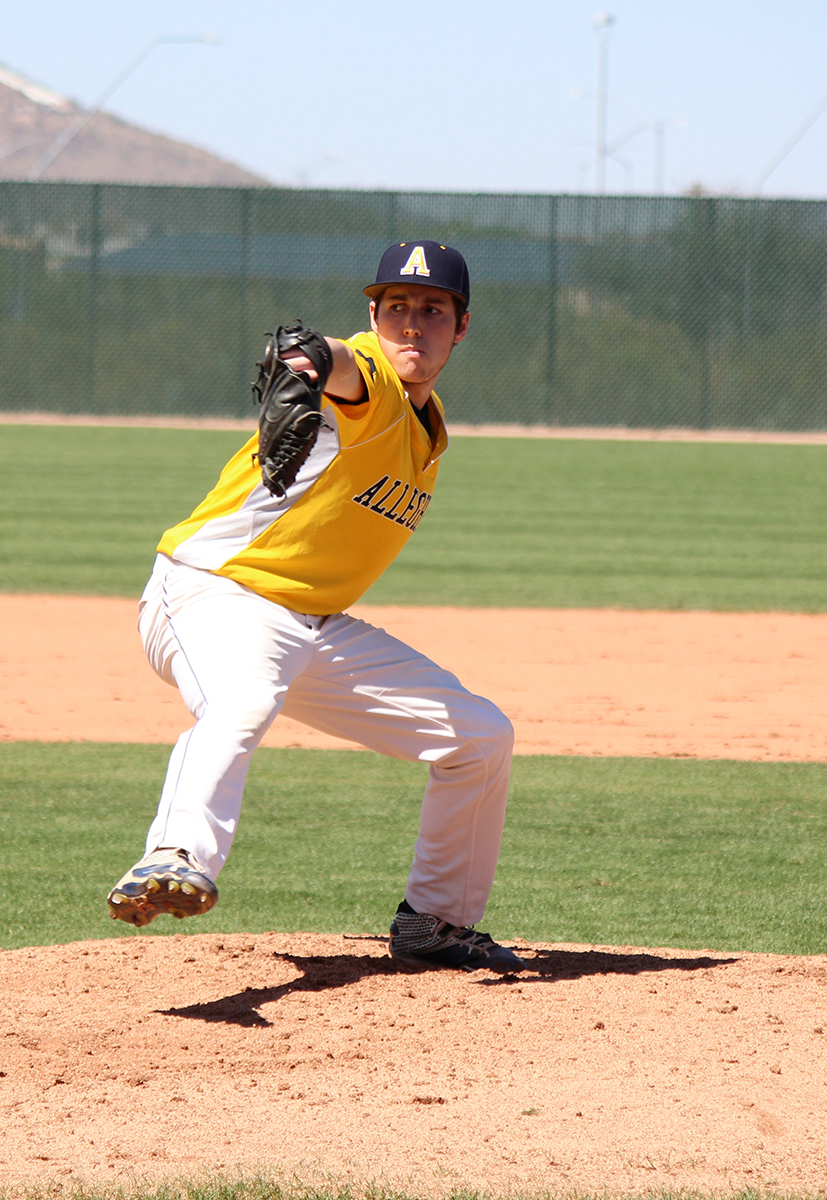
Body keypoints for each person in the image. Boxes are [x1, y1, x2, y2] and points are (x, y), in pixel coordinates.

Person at [106, 240, 524, 973]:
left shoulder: (428, 424)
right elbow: (319, 355)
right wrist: (301, 361)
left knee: (480, 738)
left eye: (432, 311)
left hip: (311, 626)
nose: (412, 325)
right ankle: (170, 856)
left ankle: (436, 922)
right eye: (397, 308)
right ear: (374, 315)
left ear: (462, 327)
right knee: (240, 701)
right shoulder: (370, 377)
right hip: (214, 589)